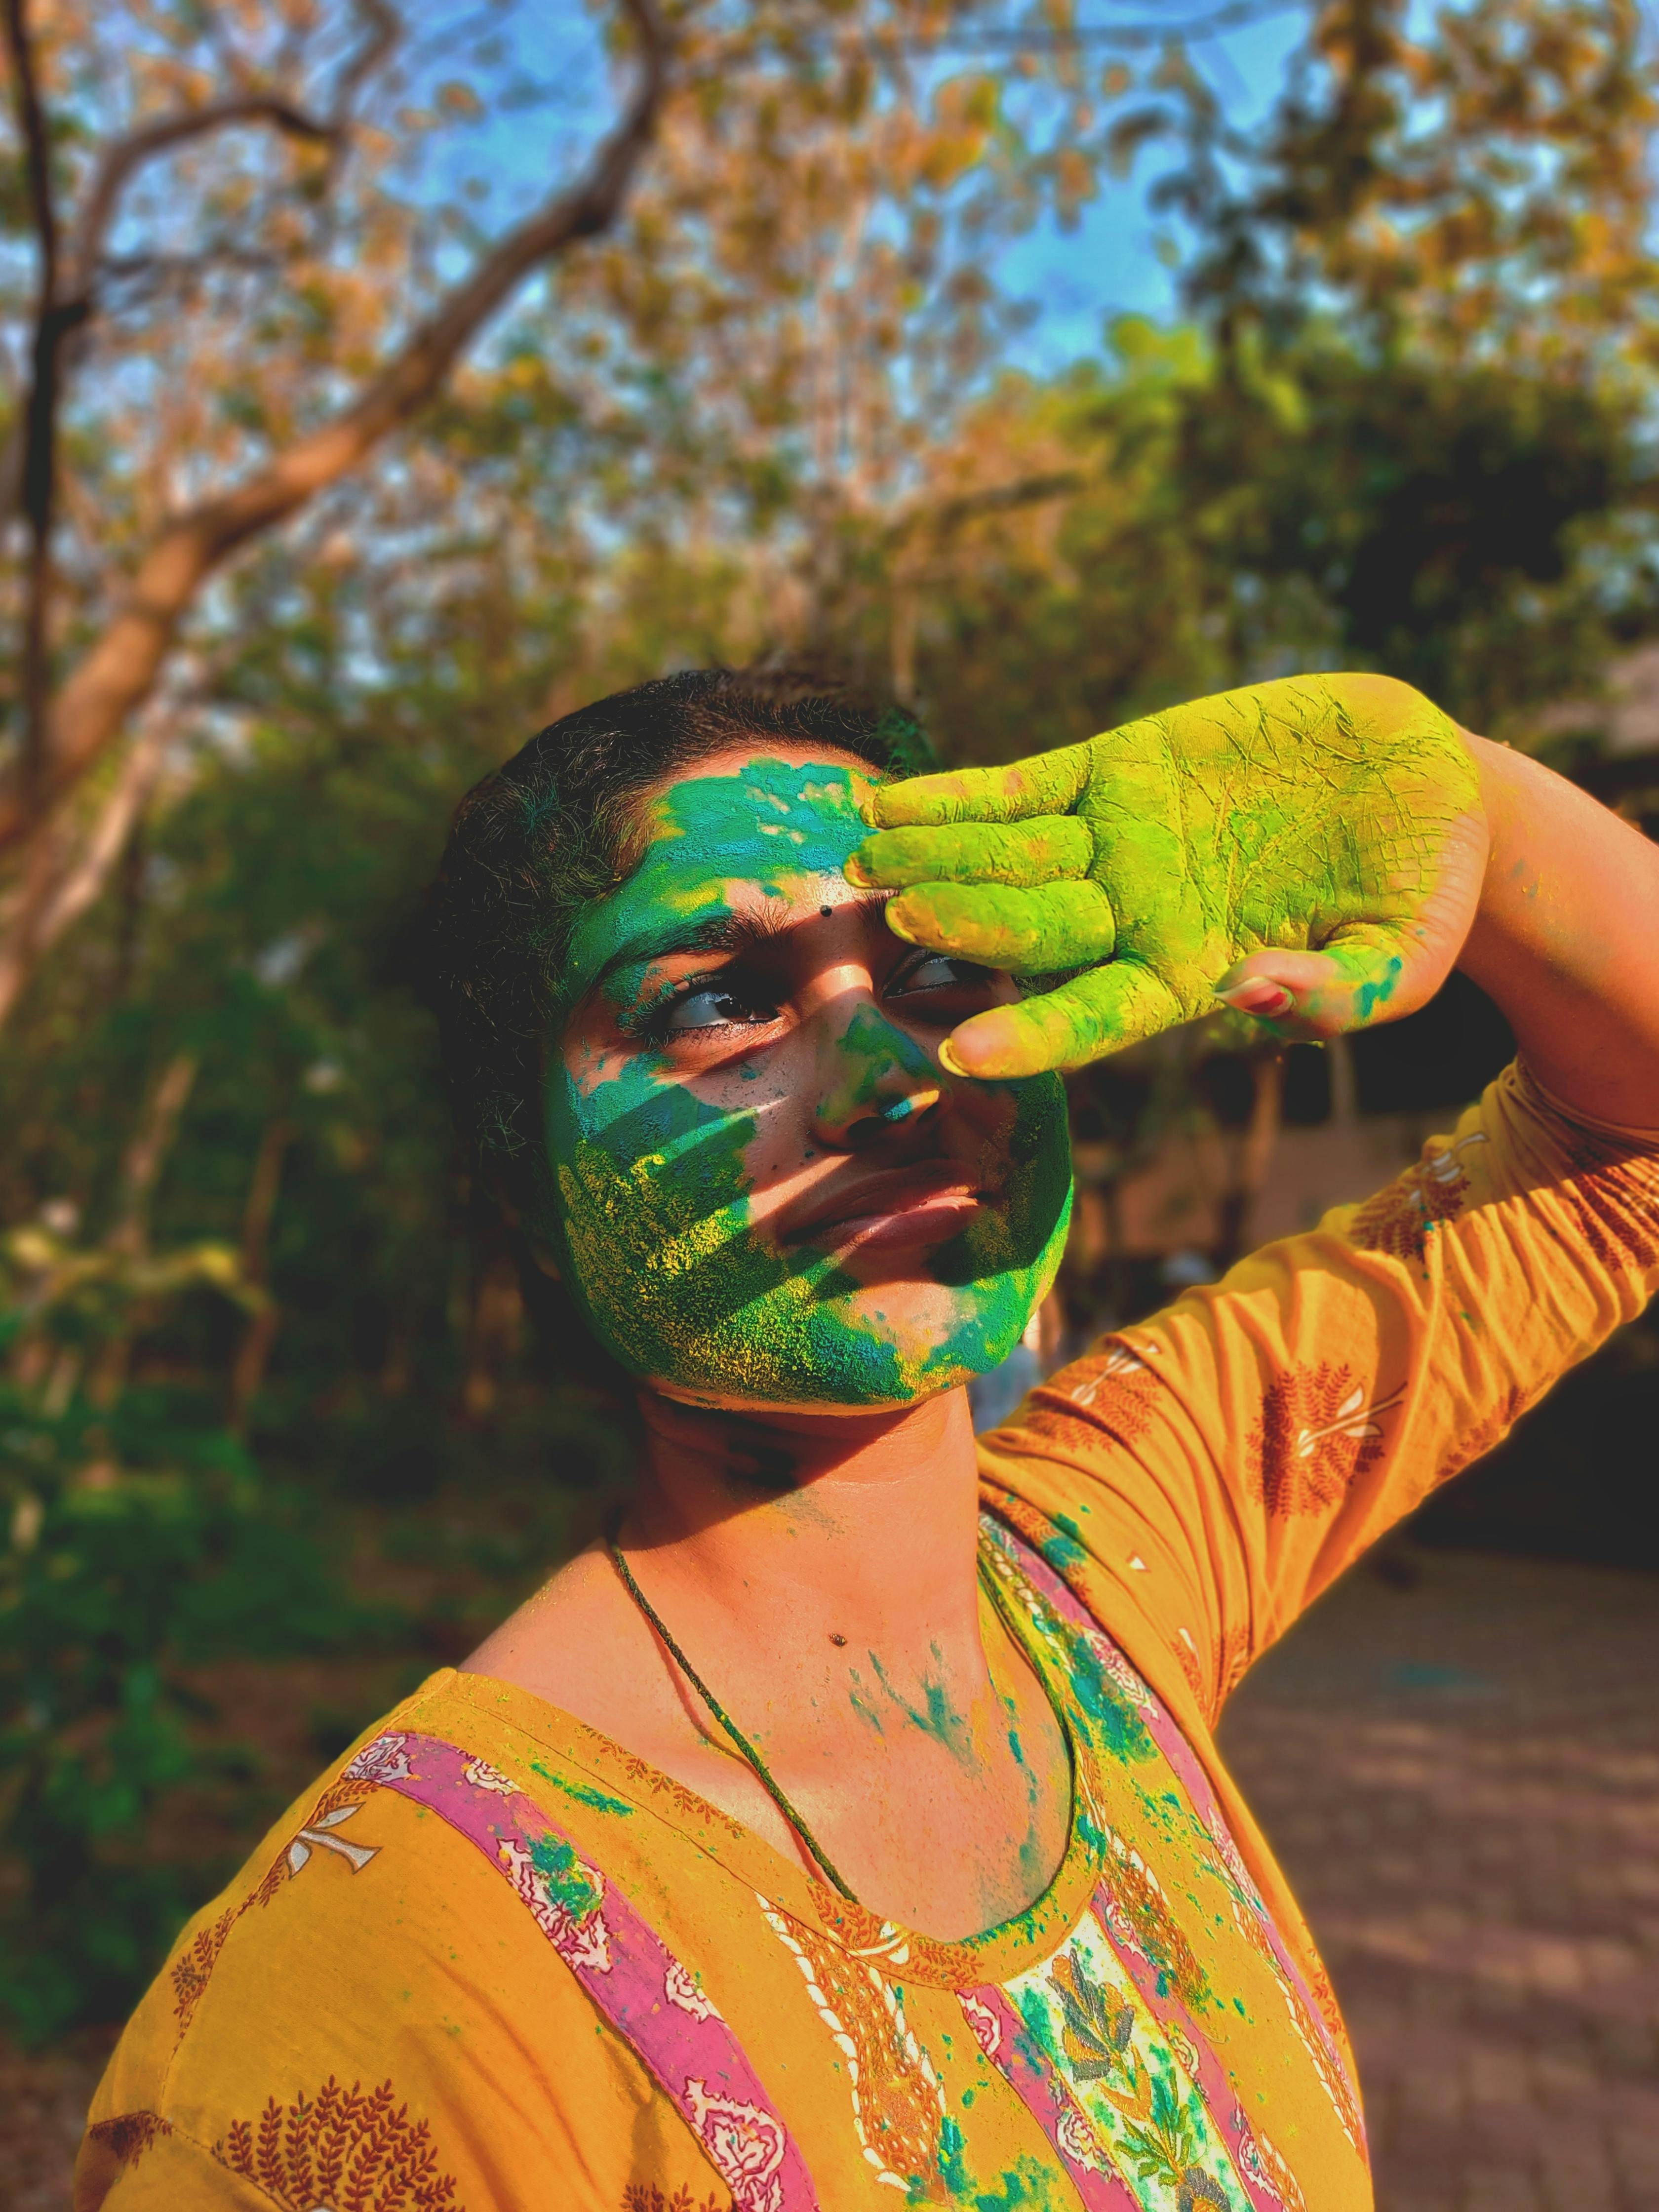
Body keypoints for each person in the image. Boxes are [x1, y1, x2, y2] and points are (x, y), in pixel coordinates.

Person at [77, 669, 1659, 2212]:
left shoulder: (1122, 1550)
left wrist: (1463, 794)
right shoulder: (395, 1977)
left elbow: (1627, 1138)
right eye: (723, 1004)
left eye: (939, 971)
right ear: (524, 1194)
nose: (893, 1078)